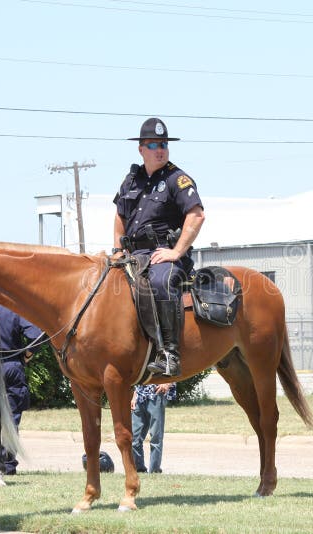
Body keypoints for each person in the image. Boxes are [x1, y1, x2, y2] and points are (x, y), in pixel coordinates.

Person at [112, 118, 205, 378]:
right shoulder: (132, 181)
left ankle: (169, 354)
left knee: (161, 281)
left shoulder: (178, 179)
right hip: (132, 255)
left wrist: (177, 252)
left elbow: (196, 215)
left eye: (163, 144)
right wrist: (118, 249)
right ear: (141, 149)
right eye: (153, 144)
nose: (160, 149)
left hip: (164, 255)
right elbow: (119, 217)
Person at [0, 304, 46, 475]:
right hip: (12, 365)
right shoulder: (15, 310)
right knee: (12, 418)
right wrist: (27, 354)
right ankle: (7, 465)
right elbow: (38, 336)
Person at [131, 382, 176, 473]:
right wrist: (134, 395)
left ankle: (154, 471)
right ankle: (139, 470)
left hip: (156, 394)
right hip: (140, 396)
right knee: (134, 437)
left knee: (155, 437)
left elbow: (176, 368)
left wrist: (168, 383)